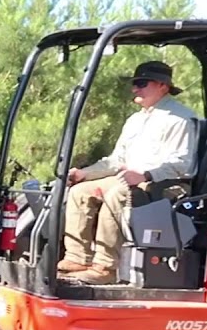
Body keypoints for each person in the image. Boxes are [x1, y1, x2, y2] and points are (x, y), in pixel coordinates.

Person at [59, 60, 199, 284]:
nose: (135, 89)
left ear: (162, 86)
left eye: (141, 83)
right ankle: (78, 258)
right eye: (134, 84)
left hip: (166, 184)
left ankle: (105, 268)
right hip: (131, 180)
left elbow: (182, 163)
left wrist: (145, 175)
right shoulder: (135, 120)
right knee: (80, 192)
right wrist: (85, 173)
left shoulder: (180, 119)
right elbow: (116, 161)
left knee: (116, 194)